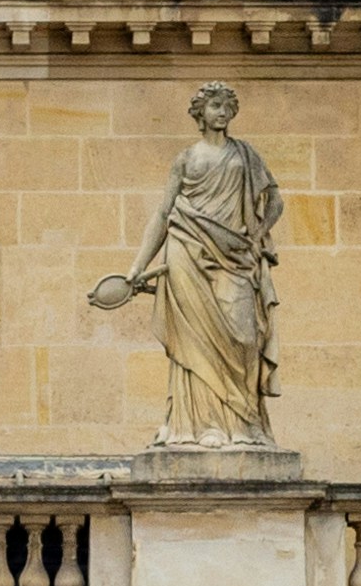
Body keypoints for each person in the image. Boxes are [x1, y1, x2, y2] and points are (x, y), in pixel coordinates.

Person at [89, 85, 284, 446]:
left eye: (227, 107)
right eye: (214, 106)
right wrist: (137, 266)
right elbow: (163, 214)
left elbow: (274, 202)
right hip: (186, 254)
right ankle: (199, 425)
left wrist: (257, 234)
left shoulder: (245, 155)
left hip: (236, 257)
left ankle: (245, 423)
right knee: (194, 339)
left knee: (243, 335)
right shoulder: (186, 159)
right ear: (200, 113)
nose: (222, 113)